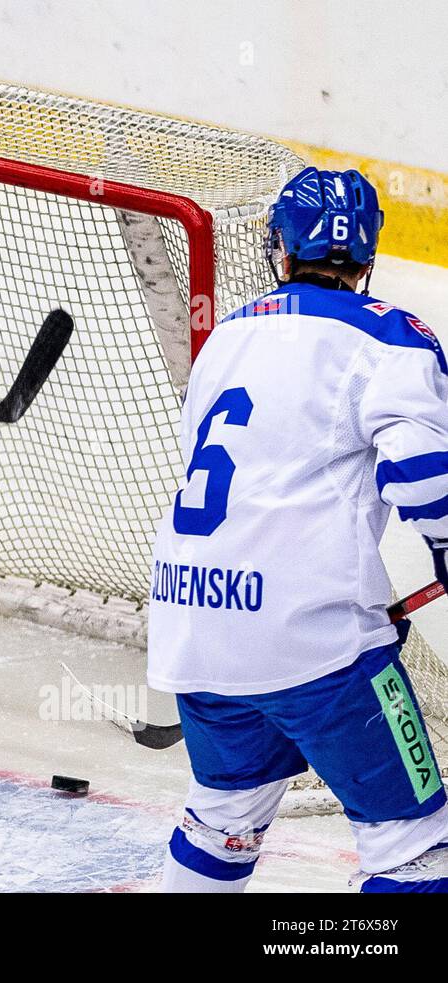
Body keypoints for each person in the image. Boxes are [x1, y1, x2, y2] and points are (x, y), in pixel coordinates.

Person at [149, 166, 448, 892]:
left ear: (282, 248)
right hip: (311, 638)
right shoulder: (391, 337)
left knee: (222, 823)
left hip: (195, 617)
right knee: (415, 850)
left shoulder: (225, 336)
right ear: (369, 256)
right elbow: (422, 478)